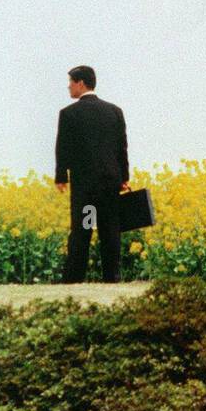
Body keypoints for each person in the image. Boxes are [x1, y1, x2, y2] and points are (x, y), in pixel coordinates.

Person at [54, 66, 130, 284]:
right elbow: (121, 148)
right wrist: (124, 177)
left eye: (70, 81)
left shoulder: (69, 114)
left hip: (85, 187)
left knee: (83, 230)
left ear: (80, 83)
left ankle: (74, 278)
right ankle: (112, 277)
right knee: (110, 230)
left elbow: (63, 148)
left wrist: (61, 177)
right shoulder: (114, 111)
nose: (68, 86)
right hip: (109, 183)